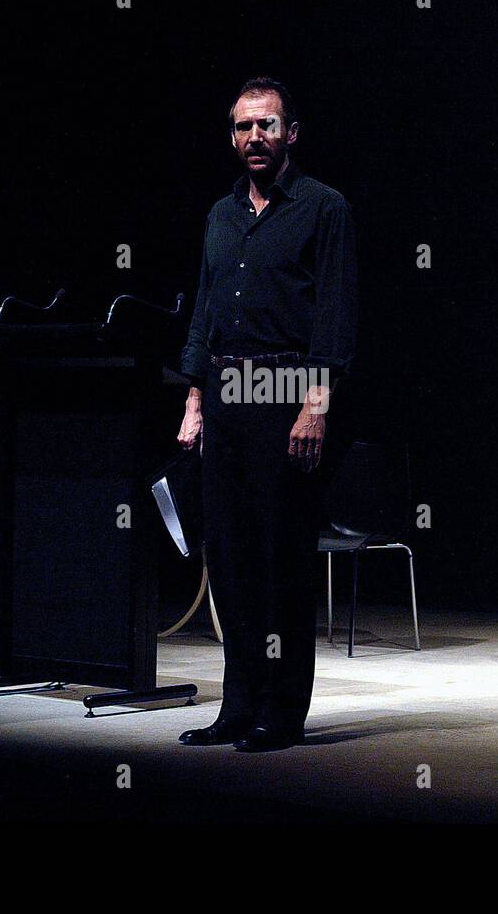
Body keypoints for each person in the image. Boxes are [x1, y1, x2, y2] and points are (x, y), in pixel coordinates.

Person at [175, 77, 358, 752]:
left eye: (268, 125)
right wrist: (194, 398)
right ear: (232, 134)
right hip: (225, 392)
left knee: (281, 560)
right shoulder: (220, 214)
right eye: (244, 126)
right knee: (229, 557)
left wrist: (315, 404)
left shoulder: (323, 207)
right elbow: (204, 307)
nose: (255, 137)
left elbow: (336, 315)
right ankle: (238, 703)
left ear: (291, 133)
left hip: (285, 392)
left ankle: (281, 711)